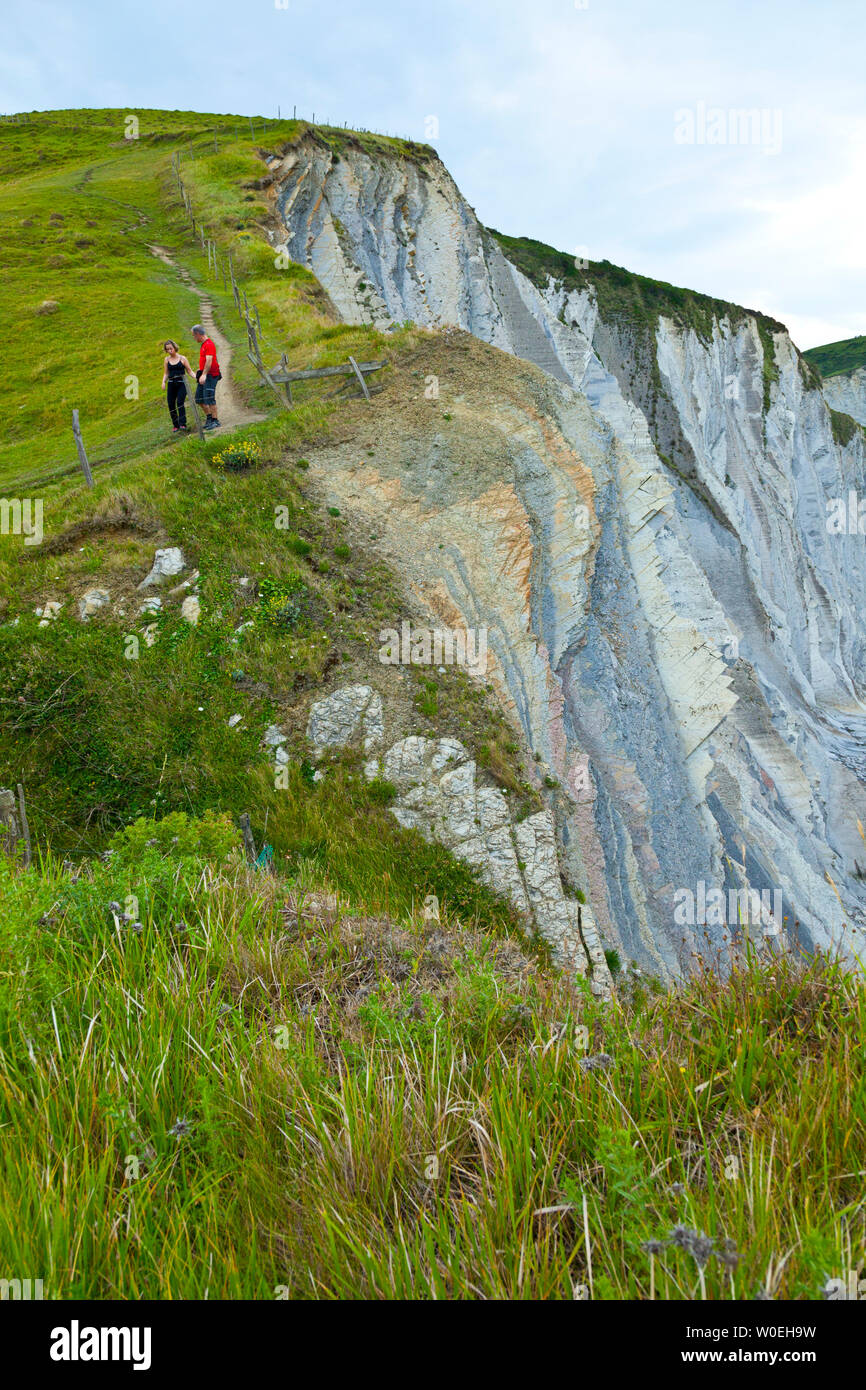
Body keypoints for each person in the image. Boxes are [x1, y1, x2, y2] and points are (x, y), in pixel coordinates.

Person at [191, 324, 222, 430]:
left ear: (198, 334)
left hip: (210, 375)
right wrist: (201, 370)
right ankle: (209, 418)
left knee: (209, 398)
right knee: (199, 398)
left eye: (194, 336)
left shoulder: (209, 344)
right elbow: (205, 361)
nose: (194, 338)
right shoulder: (203, 345)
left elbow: (209, 361)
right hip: (204, 374)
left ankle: (215, 420)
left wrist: (204, 374)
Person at [161, 340, 195, 433]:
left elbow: (189, 371)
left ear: (175, 348)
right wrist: (163, 382)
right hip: (171, 383)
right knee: (171, 404)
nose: (170, 351)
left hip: (181, 383)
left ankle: (183, 424)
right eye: (167, 349)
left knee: (180, 403)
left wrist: (197, 377)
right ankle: (175, 425)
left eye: (171, 348)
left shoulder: (183, 358)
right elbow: (166, 373)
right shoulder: (166, 360)